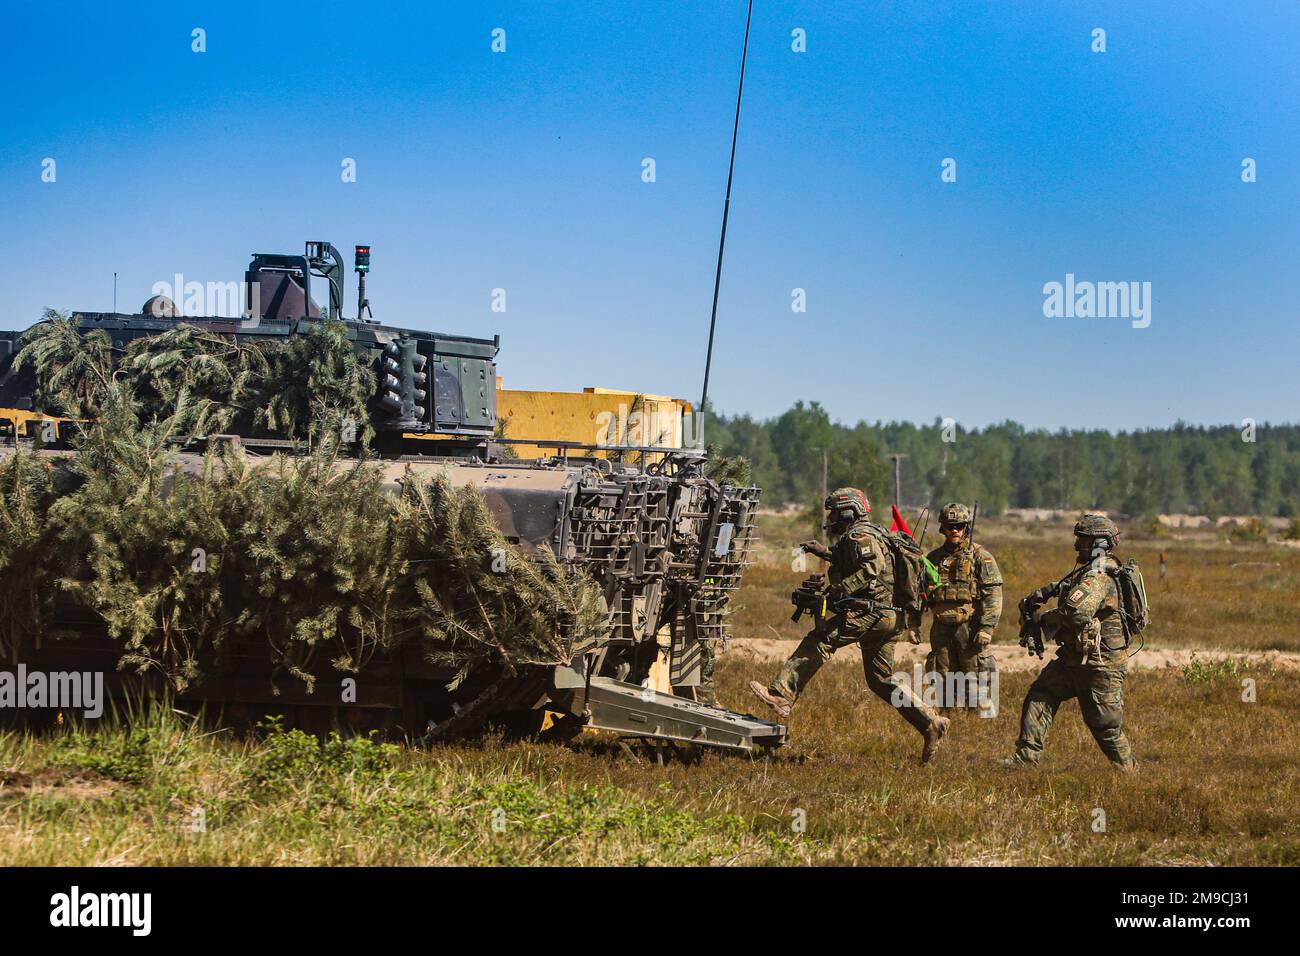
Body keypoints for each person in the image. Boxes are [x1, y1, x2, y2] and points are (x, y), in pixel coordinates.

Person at [749, 488, 950, 764]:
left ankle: (782, 694)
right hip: (891, 617)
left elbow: (872, 566)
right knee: (880, 680)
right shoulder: (870, 533)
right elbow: (857, 557)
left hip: (873, 613)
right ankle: (930, 723)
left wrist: (840, 589)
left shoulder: (860, 534)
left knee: (820, 640)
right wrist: (826, 553)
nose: (830, 517)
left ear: (848, 512)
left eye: (834, 512)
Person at [1008, 513, 1137, 771]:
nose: (1077, 545)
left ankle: (1130, 774)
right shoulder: (1091, 571)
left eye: (1084, 540)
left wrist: (1043, 620)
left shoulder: (1099, 576)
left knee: (1105, 728)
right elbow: (1070, 589)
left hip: (1100, 667)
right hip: (1074, 660)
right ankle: (1025, 760)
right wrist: (1046, 591)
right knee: (1042, 694)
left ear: (1099, 543)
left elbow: (1076, 612)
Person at [925, 502, 1002, 713]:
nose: (955, 530)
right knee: (942, 679)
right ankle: (947, 723)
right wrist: (913, 624)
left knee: (974, 680)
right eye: (950, 526)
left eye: (959, 526)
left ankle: (975, 728)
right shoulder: (933, 559)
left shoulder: (980, 556)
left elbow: (993, 593)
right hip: (940, 629)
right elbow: (919, 595)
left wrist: (987, 628)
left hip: (970, 629)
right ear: (943, 528)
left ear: (966, 527)